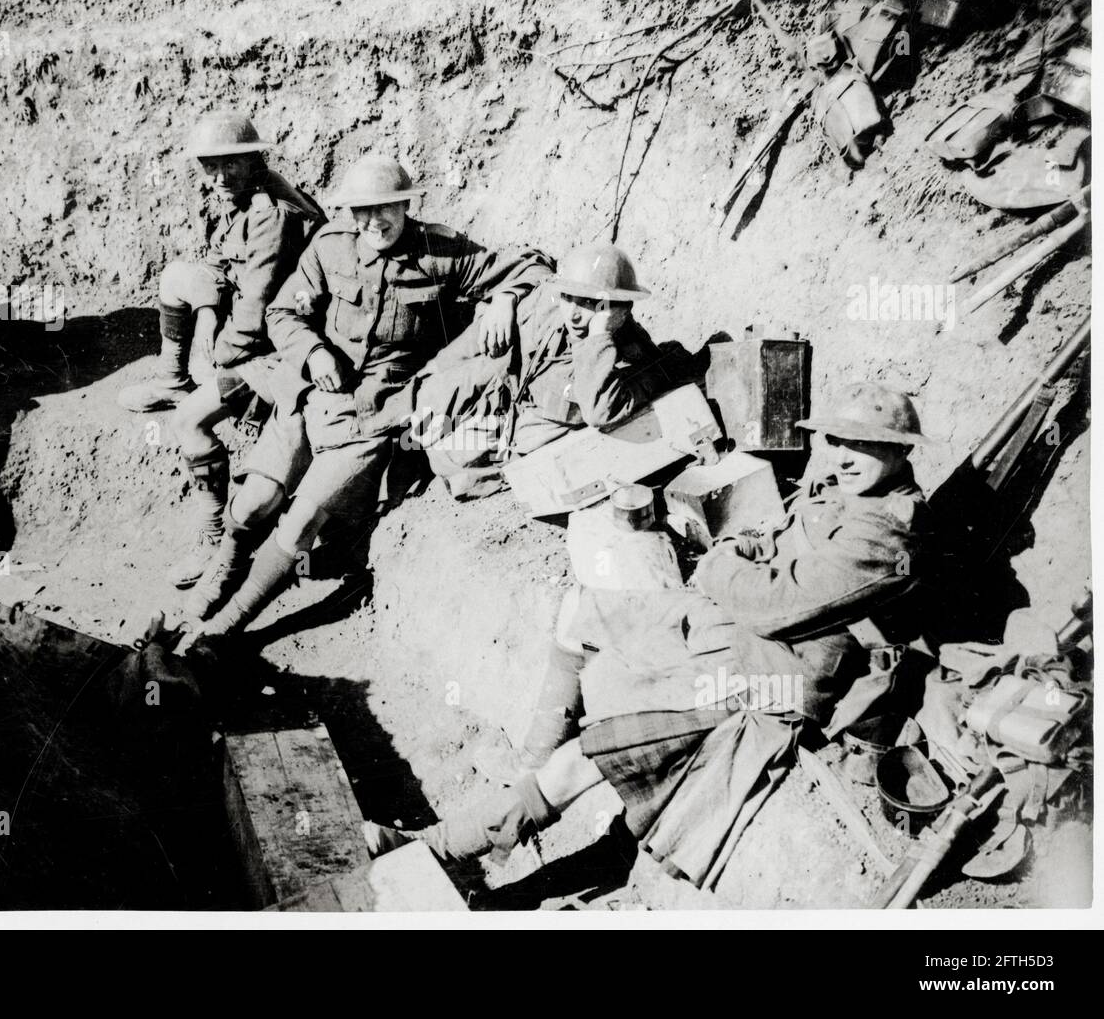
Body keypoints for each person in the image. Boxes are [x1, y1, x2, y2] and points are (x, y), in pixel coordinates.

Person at [364, 383, 936, 879]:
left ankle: (441, 848)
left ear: (900, 450)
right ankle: (525, 769)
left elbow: (772, 605)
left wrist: (720, 564)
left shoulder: (885, 537)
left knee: (593, 753)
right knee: (579, 614)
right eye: (834, 440)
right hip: (727, 625)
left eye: (863, 444)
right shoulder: (843, 485)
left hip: (772, 675)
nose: (842, 455)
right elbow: (765, 536)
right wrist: (736, 556)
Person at [179, 153, 549, 634]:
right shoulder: (330, 248)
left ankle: (230, 625)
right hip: (308, 397)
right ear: (349, 214)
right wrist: (313, 352)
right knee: (254, 503)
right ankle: (225, 567)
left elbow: (534, 266)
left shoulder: (442, 253)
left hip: (372, 417)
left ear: (406, 205)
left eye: (386, 208)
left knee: (302, 521)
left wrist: (504, 298)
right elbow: (282, 315)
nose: (374, 221)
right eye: (362, 211)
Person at [117, 111, 325, 588]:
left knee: (187, 421)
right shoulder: (242, 194)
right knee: (175, 277)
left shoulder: (271, 214)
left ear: (256, 158)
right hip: (258, 320)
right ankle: (173, 380)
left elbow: (254, 318)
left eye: (230, 164)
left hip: (281, 349)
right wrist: (209, 310)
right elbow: (222, 261)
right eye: (209, 166)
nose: (217, 177)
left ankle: (212, 535)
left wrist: (216, 354)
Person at [410, 242, 681, 497]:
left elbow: (600, 410)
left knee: (447, 458)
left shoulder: (625, 357)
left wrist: (599, 336)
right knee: (421, 419)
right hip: (498, 390)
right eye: (568, 297)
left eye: (589, 303)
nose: (574, 313)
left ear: (620, 309)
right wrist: (506, 297)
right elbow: (535, 263)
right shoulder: (551, 303)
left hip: (519, 429)